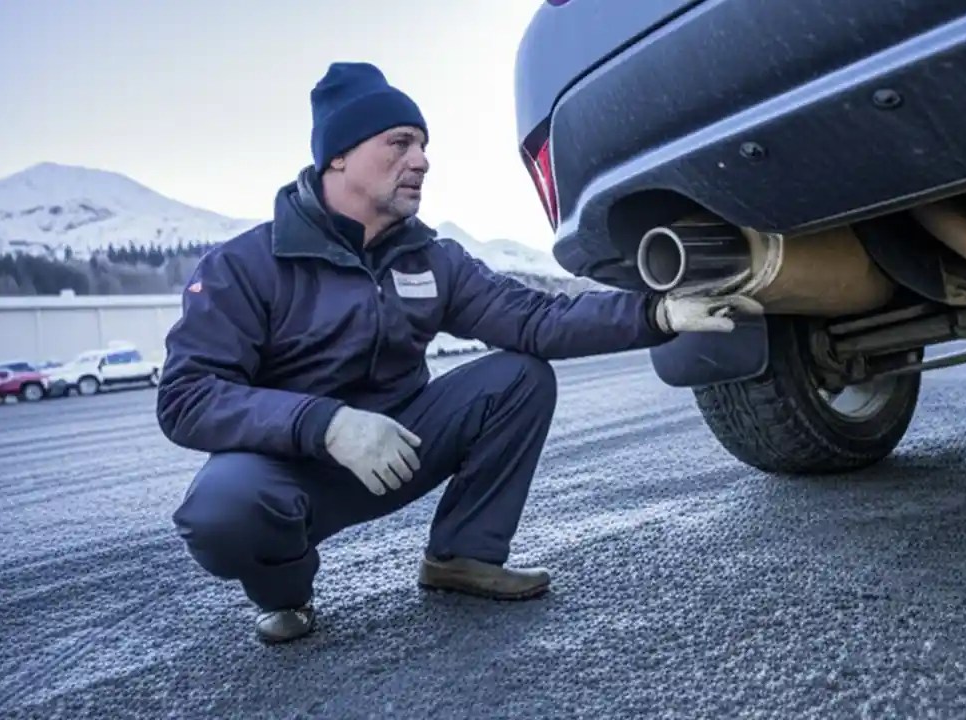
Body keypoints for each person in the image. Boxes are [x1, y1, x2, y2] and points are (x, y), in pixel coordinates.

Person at [156, 61, 762, 645]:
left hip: (401, 449)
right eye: (399, 143)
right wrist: (325, 424)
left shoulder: (430, 259)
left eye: (423, 145)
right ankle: (286, 593)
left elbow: (534, 319)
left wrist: (653, 312)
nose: (420, 160)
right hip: (289, 468)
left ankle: (463, 557)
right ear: (338, 156)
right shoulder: (245, 266)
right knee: (220, 509)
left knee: (519, 376)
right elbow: (187, 396)